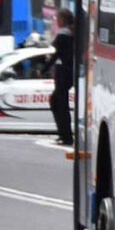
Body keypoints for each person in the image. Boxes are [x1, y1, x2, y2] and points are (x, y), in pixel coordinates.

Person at [50, 9, 75, 149]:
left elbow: (55, 54)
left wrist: (44, 68)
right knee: (58, 102)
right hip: (65, 73)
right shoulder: (68, 34)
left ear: (62, 20)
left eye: (57, 18)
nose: (56, 21)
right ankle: (64, 134)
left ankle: (66, 135)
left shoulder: (63, 35)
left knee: (60, 103)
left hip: (63, 74)